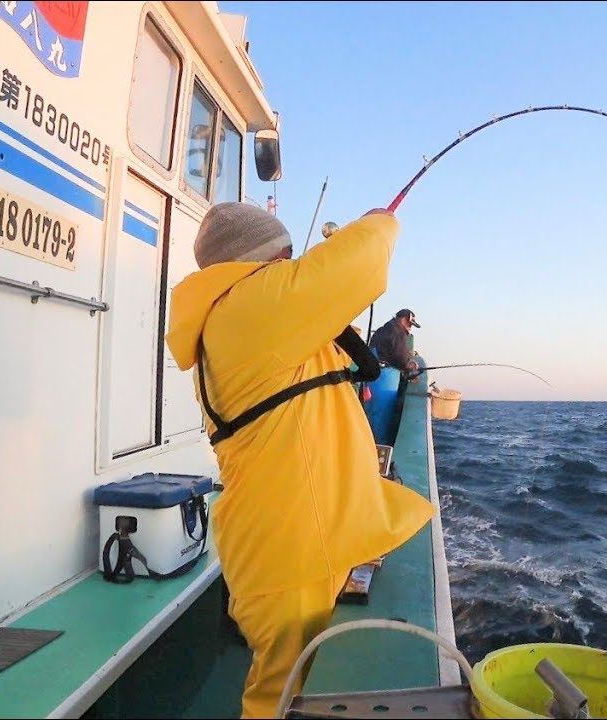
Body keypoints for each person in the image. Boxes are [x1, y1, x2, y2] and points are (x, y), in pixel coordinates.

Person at [164, 202, 434, 719]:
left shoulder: (239, 319)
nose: (293, 264)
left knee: (289, 687)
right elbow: (356, 264)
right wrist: (381, 220)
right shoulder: (249, 307)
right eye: (285, 255)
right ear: (257, 260)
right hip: (287, 550)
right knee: (279, 699)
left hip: (286, 542)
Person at [370, 308, 421, 376]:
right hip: (386, 376)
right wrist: (410, 364)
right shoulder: (399, 333)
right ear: (403, 320)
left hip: (372, 372)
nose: (410, 327)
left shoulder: (381, 330)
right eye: (410, 324)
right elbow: (401, 358)